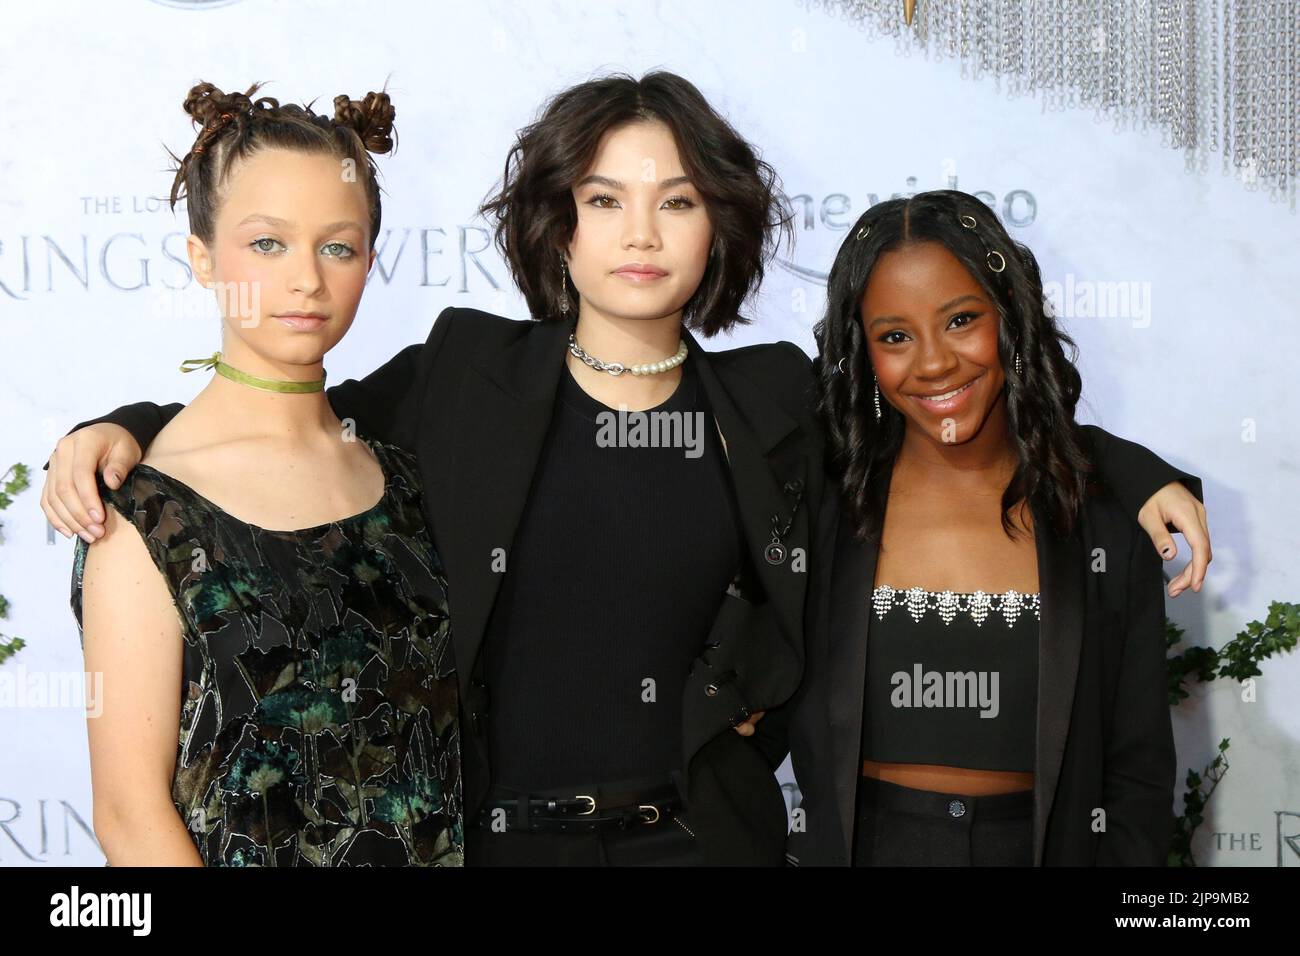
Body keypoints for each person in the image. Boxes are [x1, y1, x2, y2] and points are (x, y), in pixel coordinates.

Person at [43, 74, 1209, 866]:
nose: (640, 234)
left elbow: (941, 405)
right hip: (493, 845)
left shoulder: (772, 404)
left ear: (719, 226)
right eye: (605, 200)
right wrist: (122, 424)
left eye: (677, 201)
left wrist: (1132, 469)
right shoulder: (465, 374)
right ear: (560, 225)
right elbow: (285, 406)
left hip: (706, 845)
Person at [68, 82, 462, 866]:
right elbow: (129, 818)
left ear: (369, 261)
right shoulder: (145, 515)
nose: (307, 280)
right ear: (203, 260)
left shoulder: (415, 470)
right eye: (269, 244)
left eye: (338, 246)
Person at [786, 190, 1206, 866]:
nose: (933, 363)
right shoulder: (826, 507)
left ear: (1008, 317)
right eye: (894, 336)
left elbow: (1137, 774)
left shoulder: (1103, 520)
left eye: (959, 320)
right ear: (863, 352)